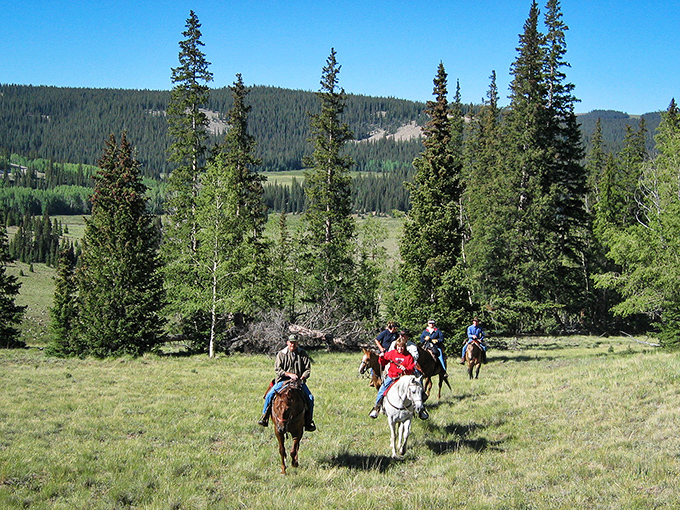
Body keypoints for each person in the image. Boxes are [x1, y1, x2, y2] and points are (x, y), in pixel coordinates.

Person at [258, 334, 316, 431]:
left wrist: (302, 377)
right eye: (291, 342)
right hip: (283, 380)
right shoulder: (281, 354)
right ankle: (264, 417)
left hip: (298, 382)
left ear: (297, 343)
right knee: (269, 395)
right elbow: (277, 369)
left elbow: (307, 369)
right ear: (287, 342)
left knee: (310, 398)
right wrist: (288, 374)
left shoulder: (303, 354)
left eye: (295, 342)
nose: (293, 344)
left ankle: (308, 421)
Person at [369, 336, 428, 420]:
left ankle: (421, 410)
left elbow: (411, 367)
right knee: (382, 389)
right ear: (396, 346)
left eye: (402, 347)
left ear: (405, 347)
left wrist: (406, 369)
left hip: (404, 378)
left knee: (416, 390)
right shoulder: (391, 353)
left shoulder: (408, 356)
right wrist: (381, 357)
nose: (400, 349)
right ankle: (377, 407)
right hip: (392, 376)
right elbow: (383, 362)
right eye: (399, 347)